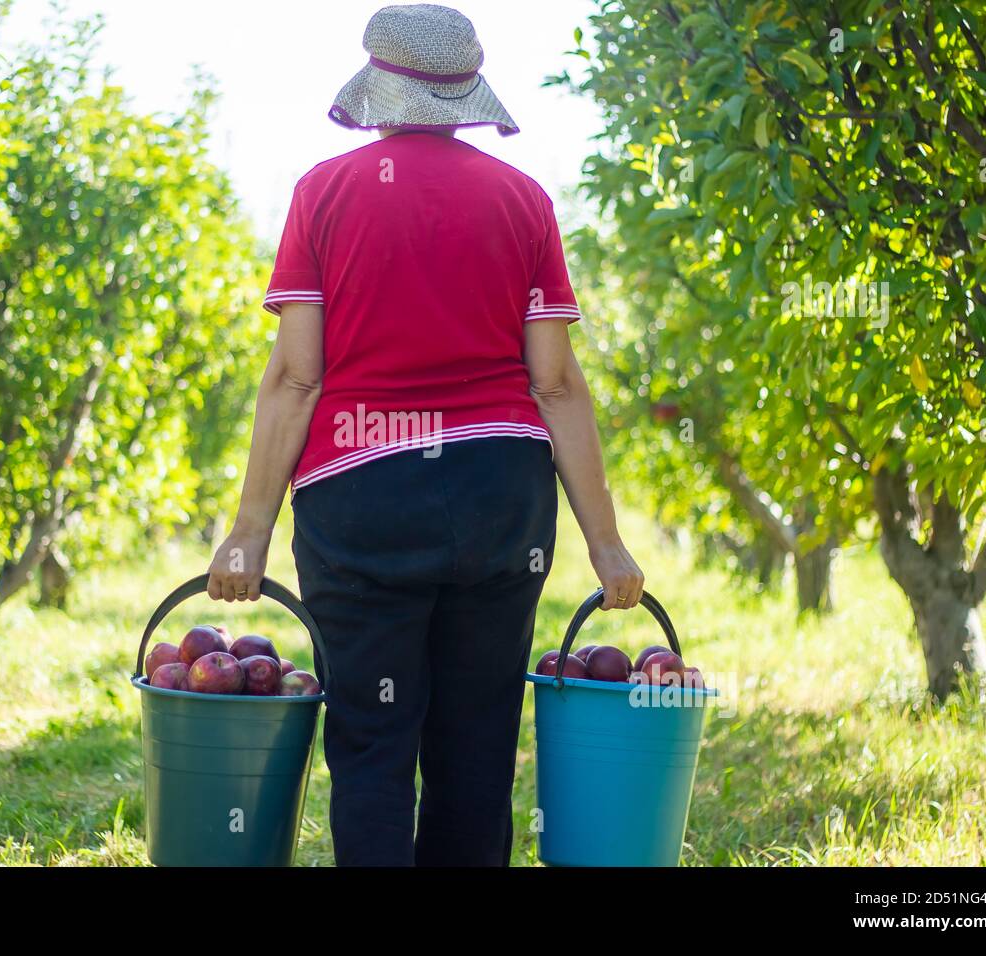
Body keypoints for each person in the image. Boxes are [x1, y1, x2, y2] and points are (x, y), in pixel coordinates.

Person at [206, 3, 643, 866]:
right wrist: (606, 542)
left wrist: (249, 529)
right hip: (499, 501)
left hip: (361, 497)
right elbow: (553, 382)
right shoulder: (522, 200)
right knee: (476, 750)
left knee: (371, 744)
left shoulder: (322, 194)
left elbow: (297, 376)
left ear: (379, 86)